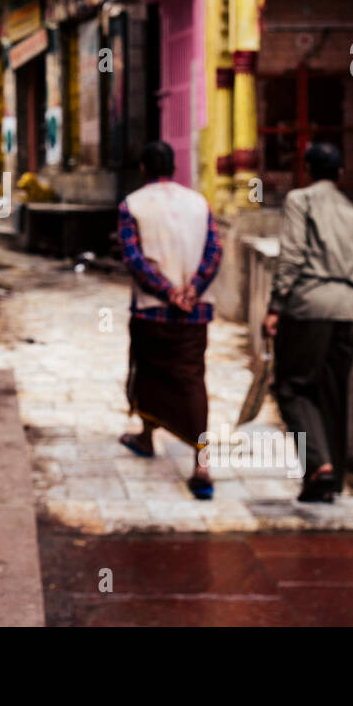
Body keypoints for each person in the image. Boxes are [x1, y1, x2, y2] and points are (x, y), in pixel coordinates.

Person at [262, 141, 353, 503]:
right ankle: (330, 480)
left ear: (306, 170)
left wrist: (276, 305)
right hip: (349, 311)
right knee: (332, 393)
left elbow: (291, 256)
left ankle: (318, 465)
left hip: (309, 307)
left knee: (292, 388)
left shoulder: (300, 200)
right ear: (340, 174)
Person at [117, 141, 222, 500]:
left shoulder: (133, 205)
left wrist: (167, 292)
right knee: (192, 380)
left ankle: (146, 436)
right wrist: (191, 289)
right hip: (195, 312)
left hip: (152, 310)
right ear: (174, 167)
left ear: (144, 168)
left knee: (148, 371)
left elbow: (133, 258)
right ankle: (201, 463)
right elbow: (214, 251)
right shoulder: (199, 203)